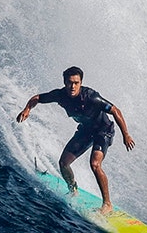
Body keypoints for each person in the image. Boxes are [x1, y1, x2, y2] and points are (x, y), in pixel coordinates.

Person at [16, 66, 135, 214]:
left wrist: (126, 135)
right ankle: (73, 190)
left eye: (76, 83)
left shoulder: (92, 97)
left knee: (95, 164)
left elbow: (115, 111)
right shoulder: (60, 95)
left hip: (103, 130)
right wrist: (27, 109)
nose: (73, 86)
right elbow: (38, 98)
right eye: (70, 82)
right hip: (85, 131)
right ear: (65, 82)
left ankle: (107, 204)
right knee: (63, 163)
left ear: (81, 83)